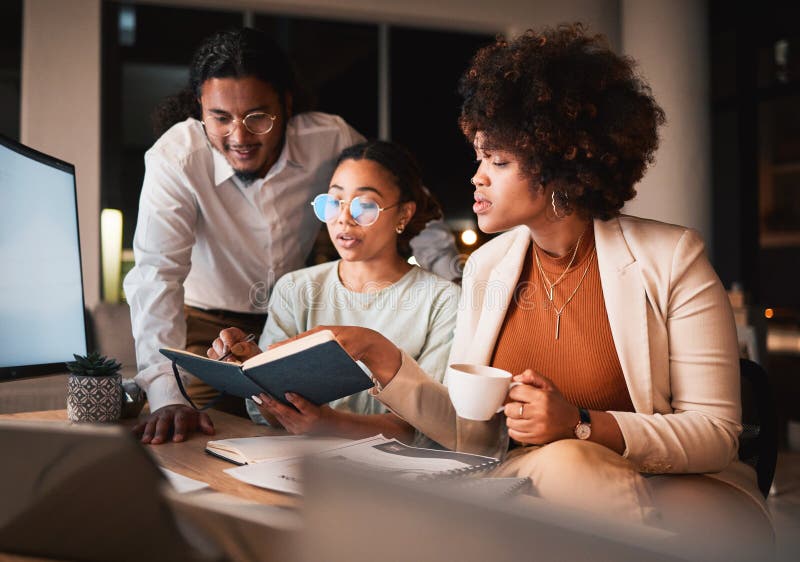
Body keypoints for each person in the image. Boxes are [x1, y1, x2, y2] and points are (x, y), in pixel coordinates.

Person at [221, 24, 772, 556]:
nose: (476, 177)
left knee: (570, 463)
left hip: (665, 481)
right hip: (525, 478)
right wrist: (381, 356)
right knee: (553, 470)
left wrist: (580, 425)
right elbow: (467, 431)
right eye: (479, 156)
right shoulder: (488, 266)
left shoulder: (670, 257)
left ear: (563, 166)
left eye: (498, 161)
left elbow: (717, 432)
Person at [123, 28, 459, 444]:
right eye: (221, 118)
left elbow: (396, 191)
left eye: (258, 117)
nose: (240, 136)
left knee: (300, 430)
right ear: (200, 108)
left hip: (294, 319)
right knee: (193, 436)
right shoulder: (176, 158)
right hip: (207, 326)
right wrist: (165, 396)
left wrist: (454, 278)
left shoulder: (327, 139)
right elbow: (156, 275)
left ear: (287, 103)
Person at [209, 141, 460, 444]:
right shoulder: (295, 289)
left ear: (403, 214)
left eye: (364, 205)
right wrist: (251, 368)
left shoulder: (442, 300)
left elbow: (428, 426)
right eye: (334, 201)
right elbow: (274, 417)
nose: (344, 218)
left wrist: (331, 424)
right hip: (300, 465)